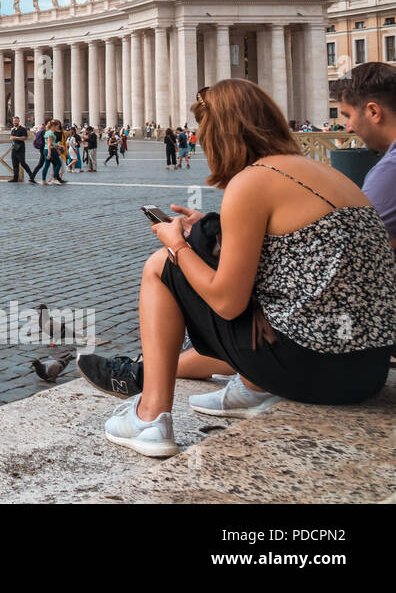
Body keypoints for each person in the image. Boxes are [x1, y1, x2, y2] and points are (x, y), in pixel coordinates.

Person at [82, 79, 396, 458]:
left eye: (203, 131)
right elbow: (297, 259)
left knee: (160, 267)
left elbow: (227, 303)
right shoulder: (319, 171)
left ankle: (150, 418)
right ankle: (252, 387)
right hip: (366, 371)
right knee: (208, 238)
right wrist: (210, 229)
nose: (198, 141)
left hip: (312, 372)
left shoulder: (251, 182)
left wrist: (178, 245)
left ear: (220, 133)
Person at [336, 61, 396, 249]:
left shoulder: (392, 169)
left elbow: (355, 245)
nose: (348, 129)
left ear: (373, 111)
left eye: (347, 116)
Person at [9, 116, 36, 184]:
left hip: (21, 149)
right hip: (14, 148)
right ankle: (15, 178)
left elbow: (25, 138)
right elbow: (12, 139)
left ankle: (31, 175)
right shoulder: (13, 130)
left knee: (23, 163)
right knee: (14, 164)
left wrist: (15, 138)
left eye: (16, 121)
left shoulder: (22, 129)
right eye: (14, 121)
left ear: (19, 121)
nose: (15, 122)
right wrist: (12, 141)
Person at [40, 119, 66, 185]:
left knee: (47, 165)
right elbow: (49, 144)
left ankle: (43, 180)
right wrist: (49, 153)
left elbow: (51, 143)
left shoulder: (47, 132)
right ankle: (54, 178)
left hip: (46, 149)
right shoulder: (51, 133)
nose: (57, 127)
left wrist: (59, 145)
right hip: (51, 150)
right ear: (53, 126)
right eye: (57, 126)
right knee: (58, 164)